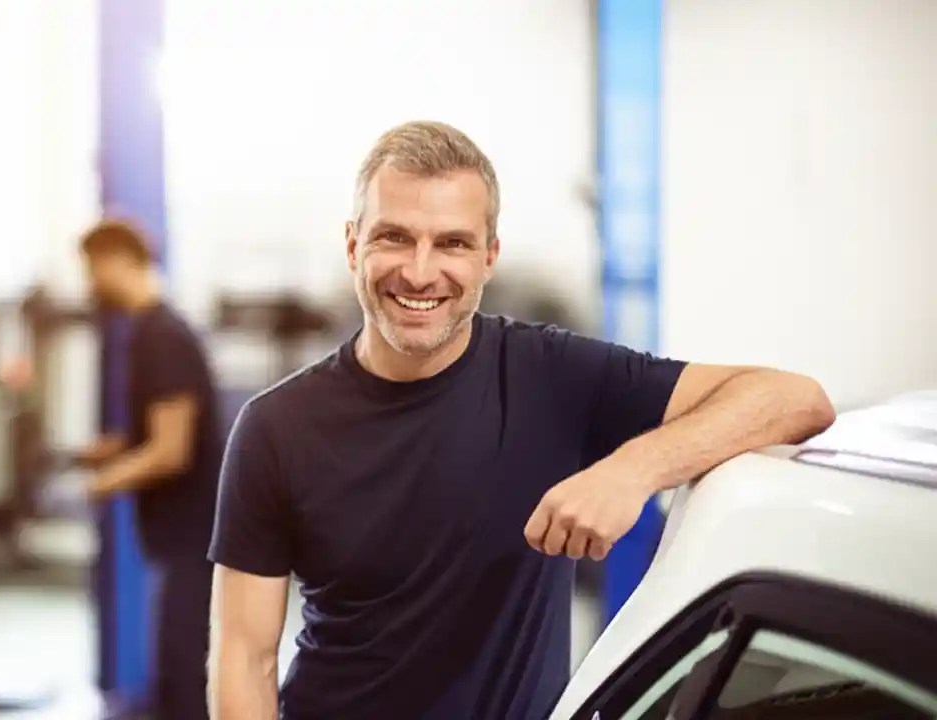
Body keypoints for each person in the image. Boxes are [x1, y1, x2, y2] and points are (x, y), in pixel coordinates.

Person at [206, 121, 837, 720]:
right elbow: (245, 656)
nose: (420, 271)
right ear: (353, 246)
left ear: (489, 256)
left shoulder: (552, 375)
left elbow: (795, 399)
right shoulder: (275, 429)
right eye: (394, 237)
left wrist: (632, 469)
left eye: (452, 243)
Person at [75, 219, 223, 720]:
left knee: (183, 672)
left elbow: (170, 450)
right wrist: (109, 451)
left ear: (117, 259)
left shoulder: (163, 337)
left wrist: (100, 484)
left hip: (193, 535)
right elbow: (155, 430)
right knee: (176, 665)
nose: (90, 283)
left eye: (92, 269)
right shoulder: (147, 332)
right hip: (178, 535)